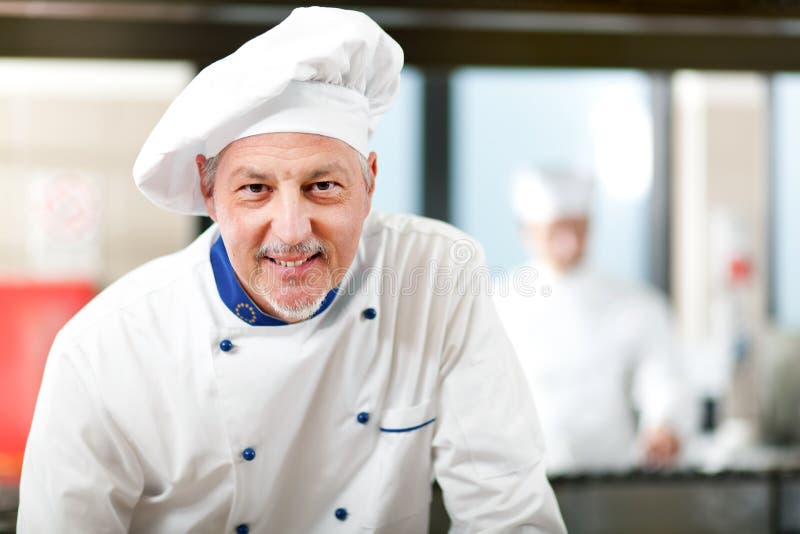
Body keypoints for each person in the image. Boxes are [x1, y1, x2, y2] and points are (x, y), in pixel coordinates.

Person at [17, 8, 565, 533]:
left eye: (322, 186)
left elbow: (509, 514)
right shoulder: (105, 350)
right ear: (210, 193)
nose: (292, 230)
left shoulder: (437, 275)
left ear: (369, 182)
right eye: (255, 189)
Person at [495, 166, 686, 474]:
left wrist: (665, 424)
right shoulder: (498, 305)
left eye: (577, 228)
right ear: (528, 233)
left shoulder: (636, 304)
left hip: (612, 475)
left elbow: (663, 378)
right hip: (522, 479)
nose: (568, 241)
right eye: (555, 230)